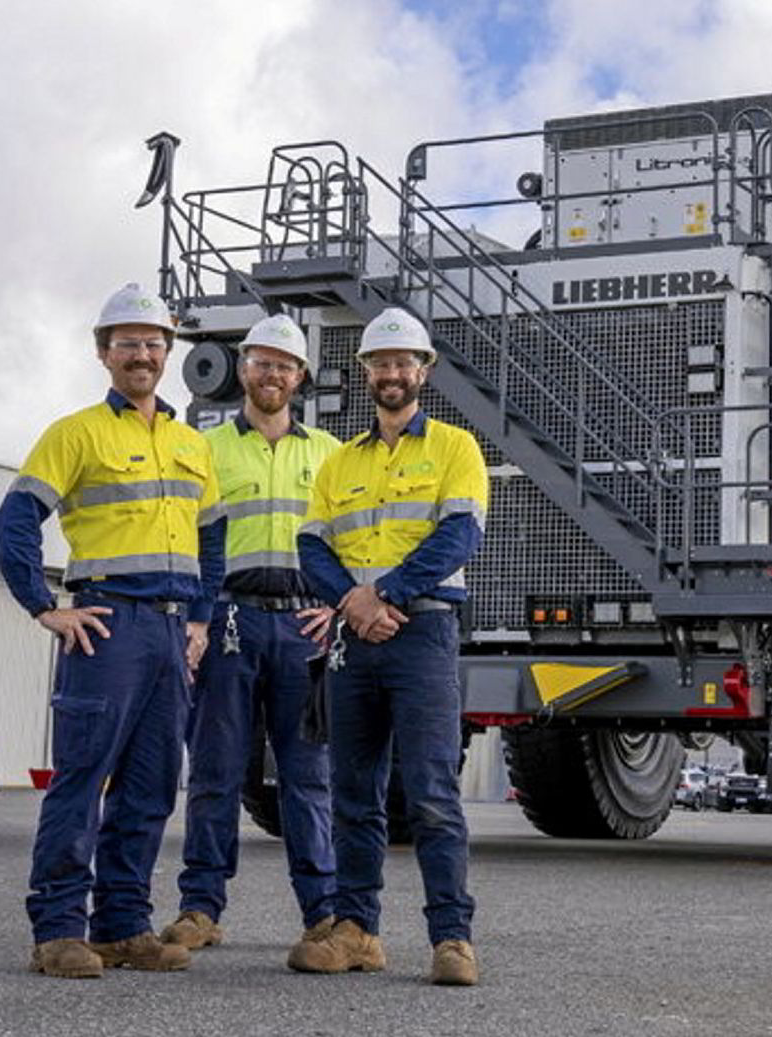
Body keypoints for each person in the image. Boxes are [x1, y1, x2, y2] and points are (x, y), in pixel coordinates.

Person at [0, 283, 222, 979]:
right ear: (104, 352)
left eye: (154, 343)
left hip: (173, 631)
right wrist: (44, 606)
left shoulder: (191, 444)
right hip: (107, 623)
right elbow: (13, 522)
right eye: (128, 343)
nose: (142, 354)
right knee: (84, 776)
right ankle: (59, 928)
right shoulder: (76, 433)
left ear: (168, 352)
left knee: (151, 786)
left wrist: (204, 620)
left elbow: (213, 541)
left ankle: (122, 925)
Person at [292, 307, 487, 986]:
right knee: (352, 789)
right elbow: (310, 544)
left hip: (423, 630)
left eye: (404, 362)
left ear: (423, 371)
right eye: (380, 363)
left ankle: (451, 937)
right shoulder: (338, 461)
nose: (392, 373)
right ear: (366, 372)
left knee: (432, 791)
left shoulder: (456, 448)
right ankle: (357, 930)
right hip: (354, 637)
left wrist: (386, 596)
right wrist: (354, 602)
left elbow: (458, 537)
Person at [158, 314, 340, 965]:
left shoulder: (329, 453)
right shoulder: (205, 449)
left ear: (300, 377)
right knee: (215, 769)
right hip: (229, 616)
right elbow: (183, 538)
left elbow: (351, 539)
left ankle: (323, 913)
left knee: (308, 774)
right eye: (261, 361)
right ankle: (200, 906)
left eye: (284, 365)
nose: (272, 374)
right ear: (243, 369)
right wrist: (193, 618)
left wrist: (338, 606)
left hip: (303, 625)